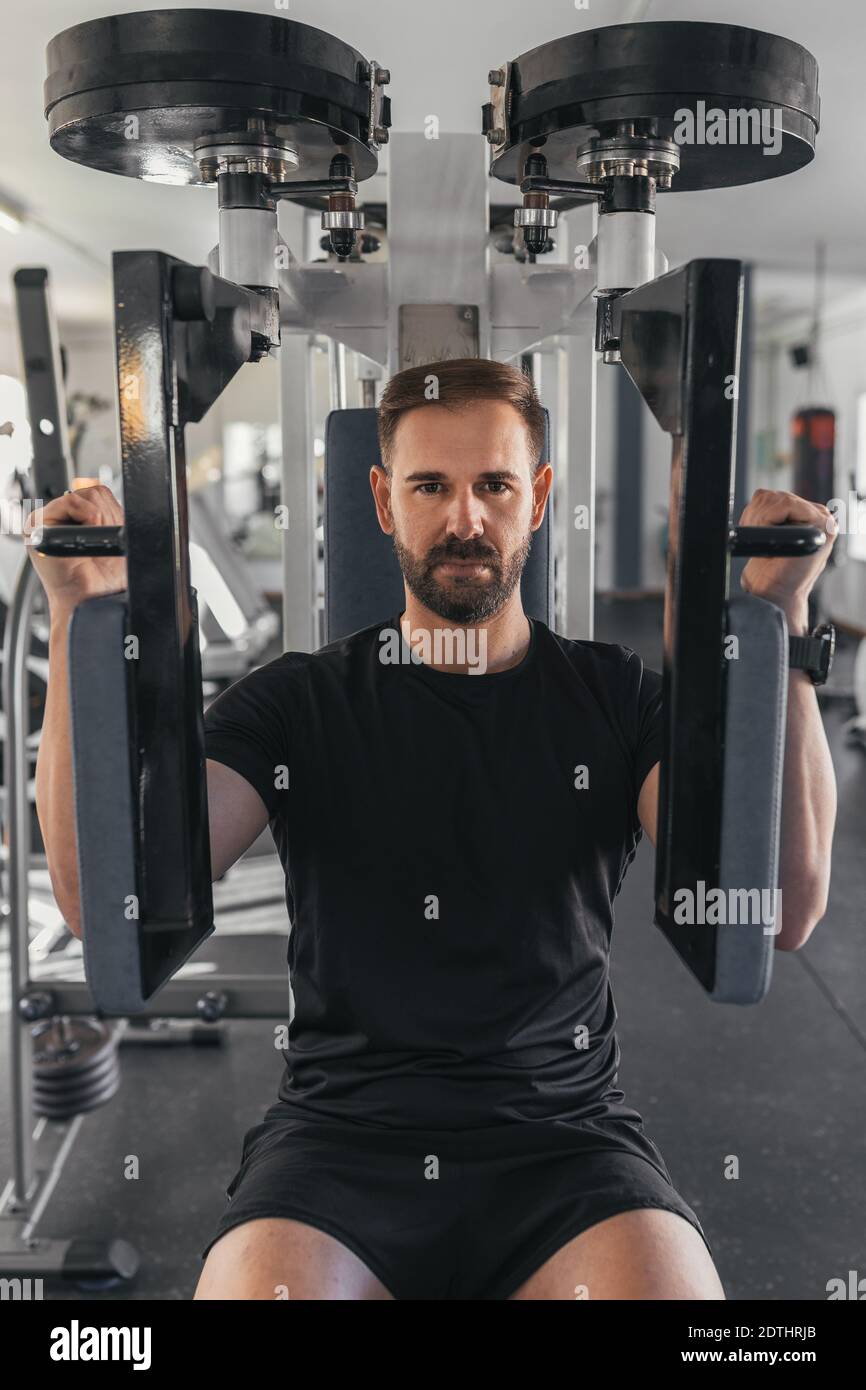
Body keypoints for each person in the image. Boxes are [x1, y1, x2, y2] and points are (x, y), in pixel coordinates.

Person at [28, 358, 836, 1300]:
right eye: (430, 487)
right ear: (381, 500)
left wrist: (782, 626)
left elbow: (779, 909)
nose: (465, 520)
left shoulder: (615, 700)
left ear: (536, 498)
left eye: (493, 485)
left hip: (565, 1144)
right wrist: (78, 611)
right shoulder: (297, 705)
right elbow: (106, 906)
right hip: (339, 1144)